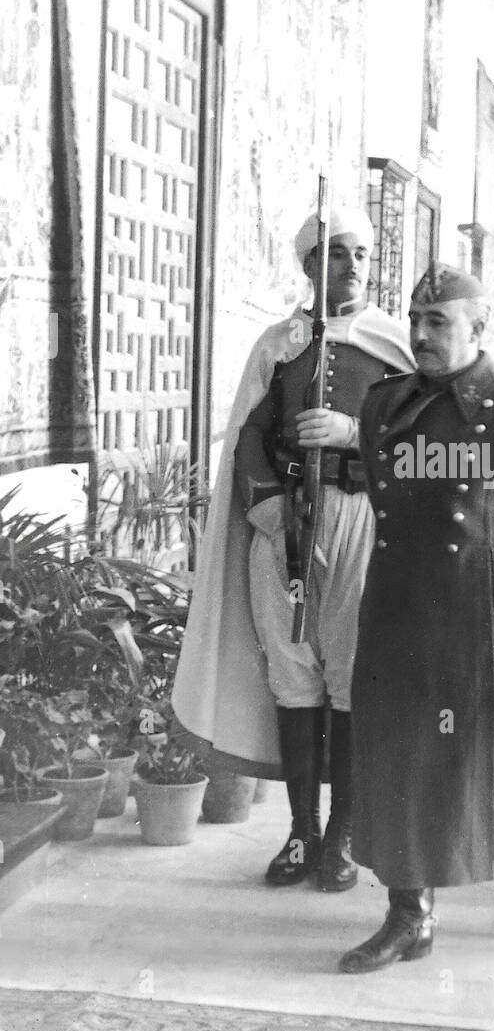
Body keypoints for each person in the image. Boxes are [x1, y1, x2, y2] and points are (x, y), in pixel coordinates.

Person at [338, 263, 494, 973]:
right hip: (400, 602)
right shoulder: (383, 404)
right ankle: (408, 915)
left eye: (438, 324)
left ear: (479, 331)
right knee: (399, 749)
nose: (420, 336)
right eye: (416, 322)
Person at [172, 206, 414, 892]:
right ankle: (301, 832)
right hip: (283, 527)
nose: (353, 267)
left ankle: (343, 836)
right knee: (293, 675)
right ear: (310, 266)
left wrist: (353, 429)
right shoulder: (278, 343)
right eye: (337, 255)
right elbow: (248, 433)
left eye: (362, 256)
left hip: (361, 522)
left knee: (350, 678)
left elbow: (419, 437)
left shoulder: (394, 345)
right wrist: (268, 504)